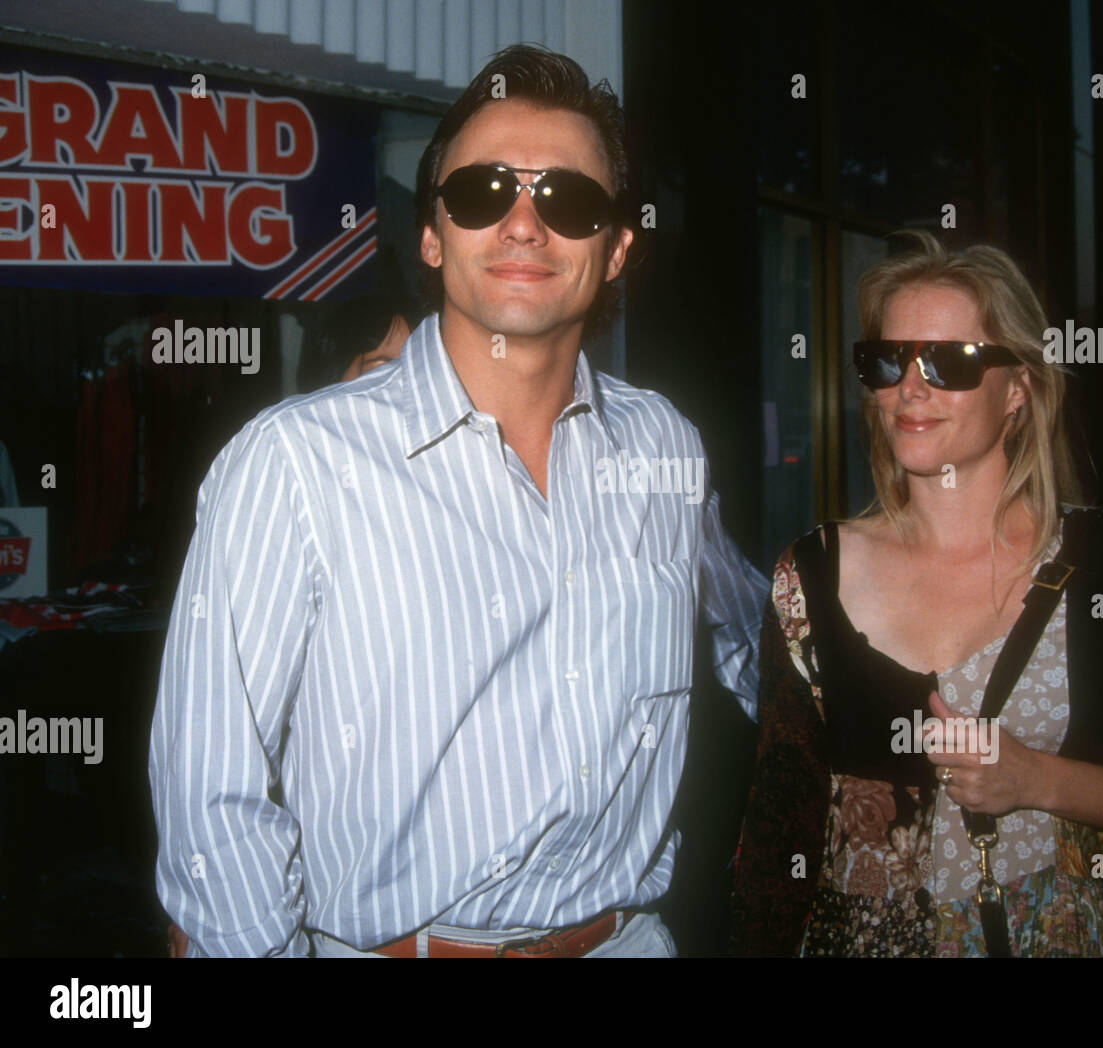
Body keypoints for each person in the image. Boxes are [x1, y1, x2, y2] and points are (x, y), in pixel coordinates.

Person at [151, 44, 767, 958]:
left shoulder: (665, 446)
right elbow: (211, 792)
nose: (524, 223)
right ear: (433, 235)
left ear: (616, 250)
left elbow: (757, 635)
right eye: (484, 192)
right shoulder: (296, 464)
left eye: (567, 198)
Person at [729, 231, 1103, 957]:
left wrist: (1036, 778)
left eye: (949, 362)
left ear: (1018, 391)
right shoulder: (809, 574)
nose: (911, 387)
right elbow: (777, 832)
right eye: (888, 360)